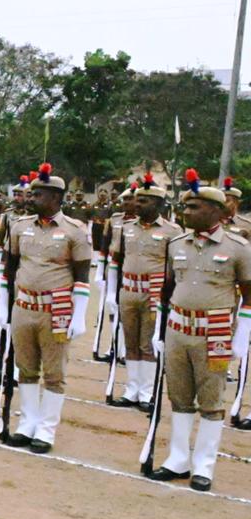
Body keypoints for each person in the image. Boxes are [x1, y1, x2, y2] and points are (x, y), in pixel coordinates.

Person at [148, 171, 251, 491]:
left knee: (211, 399)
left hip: (216, 331)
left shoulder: (238, 247)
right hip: (178, 328)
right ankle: (178, 458)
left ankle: (204, 465)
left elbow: (249, 295)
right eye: (186, 207)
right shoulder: (177, 244)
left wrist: (242, 336)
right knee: (178, 397)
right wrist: (159, 329)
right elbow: (166, 289)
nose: (186, 212)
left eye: (195, 207)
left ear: (216, 212)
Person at [0, 164, 92, 454]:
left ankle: (46, 430)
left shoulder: (75, 231)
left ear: (56, 197)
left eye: (38, 194)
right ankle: (27, 423)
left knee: (53, 373)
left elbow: (82, 277)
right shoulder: (19, 227)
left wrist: (79, 315)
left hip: (57, 309)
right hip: (24, 306)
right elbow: (9, 270)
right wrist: (4, 306)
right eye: (31, 193)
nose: (31, 198)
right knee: (25, 368)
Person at [106, 176, 179, 411]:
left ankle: (147, 393)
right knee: (130, 342)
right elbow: (116, 260)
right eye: (136, 201)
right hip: (129, 291)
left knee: (148, 343)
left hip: (154, 294)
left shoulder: (172, 231)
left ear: (157, 204)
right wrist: (111, 292)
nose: (137, 205)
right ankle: (131, 390)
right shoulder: (126, 228)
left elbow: (174, 269)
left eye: (143, 201)